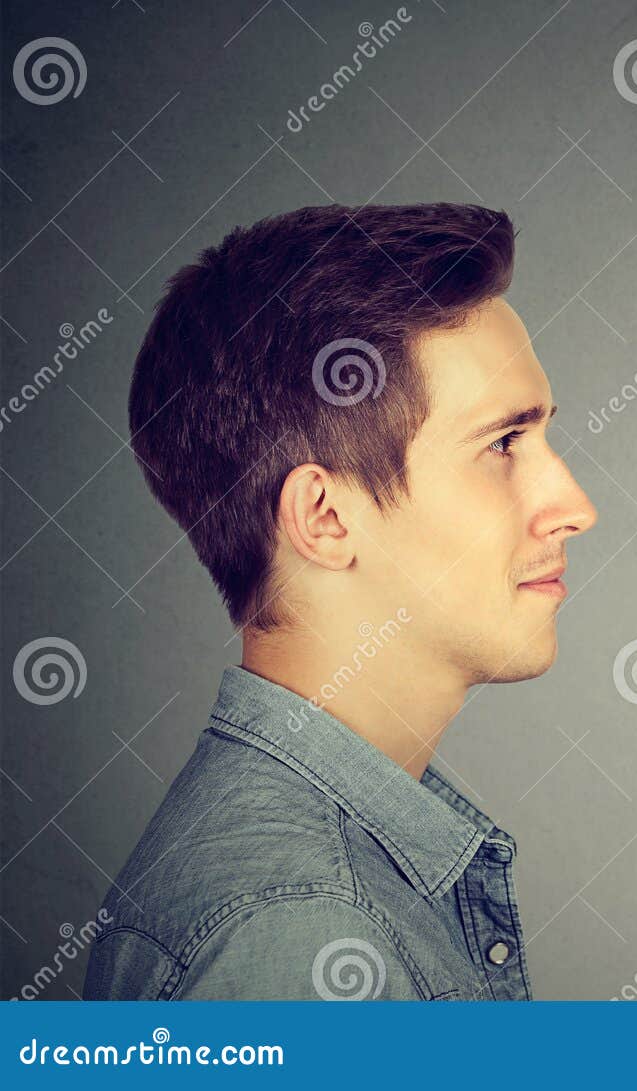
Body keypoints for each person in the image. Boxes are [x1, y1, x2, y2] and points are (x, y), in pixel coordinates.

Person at [85, 203, 595, 999]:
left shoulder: (307, 895)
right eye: (502, 443)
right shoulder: (302, 936)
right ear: (325, 518)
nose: (572, 504)